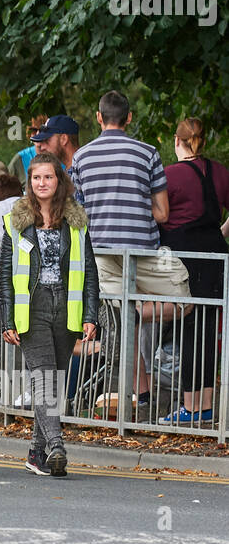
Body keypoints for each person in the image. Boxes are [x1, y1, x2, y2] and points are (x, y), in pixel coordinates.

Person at [70, 90, 191, 415]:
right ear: (129, 118)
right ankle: (141, 391)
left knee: (122, 319)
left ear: (99, 117)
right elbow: (163, 213)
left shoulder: (81, 157)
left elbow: (78, 212)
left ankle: (132, 323)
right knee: (186, 301)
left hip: (100, 251)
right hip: (142, 250)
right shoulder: (148, 153)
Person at [0, 152, 99, 477]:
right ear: (30, 182)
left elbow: (91, 273)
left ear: (59, 181)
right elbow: (4, 274)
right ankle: (56, 445)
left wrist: (91, 315)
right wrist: (7, 319)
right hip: (33, 307)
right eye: (36, 178)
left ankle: (36, 453)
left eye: (49, 177)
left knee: (54, 380)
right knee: (43, 379)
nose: (42, 183)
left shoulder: (76, 220)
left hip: (66, 309)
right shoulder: (16, 220)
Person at [157, 117, 229, 425]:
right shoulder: (220, 172)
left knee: (187, 328)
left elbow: (159, 216)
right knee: (208, 329)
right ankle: (206, 406)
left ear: (177, 141)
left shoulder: (168, 175)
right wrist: (221, 233)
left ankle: (189, 407)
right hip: (216, 255)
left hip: (182, 258)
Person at [8, 113, 48, 186]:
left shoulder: (60, 156)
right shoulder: (20, 159)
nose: (38, 134)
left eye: (43, 130)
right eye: (34, 130)